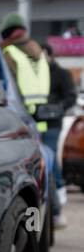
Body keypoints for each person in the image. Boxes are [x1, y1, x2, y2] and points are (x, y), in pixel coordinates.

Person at [0, 12, 62, 227]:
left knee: (19, 178)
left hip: (17, 120)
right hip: (39, 119)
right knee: (39, 172)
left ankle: (29, 224)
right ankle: (47, 218)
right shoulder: (38, 52)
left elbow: (6, 88)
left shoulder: (9, 52)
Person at [44, 43, 77, 227]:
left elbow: (70, 96)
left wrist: (56, 109)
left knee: (50, 160)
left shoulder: (61, 74)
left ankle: (57, 199)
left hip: (52, 124)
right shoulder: (34, 74)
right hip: (36, 123)